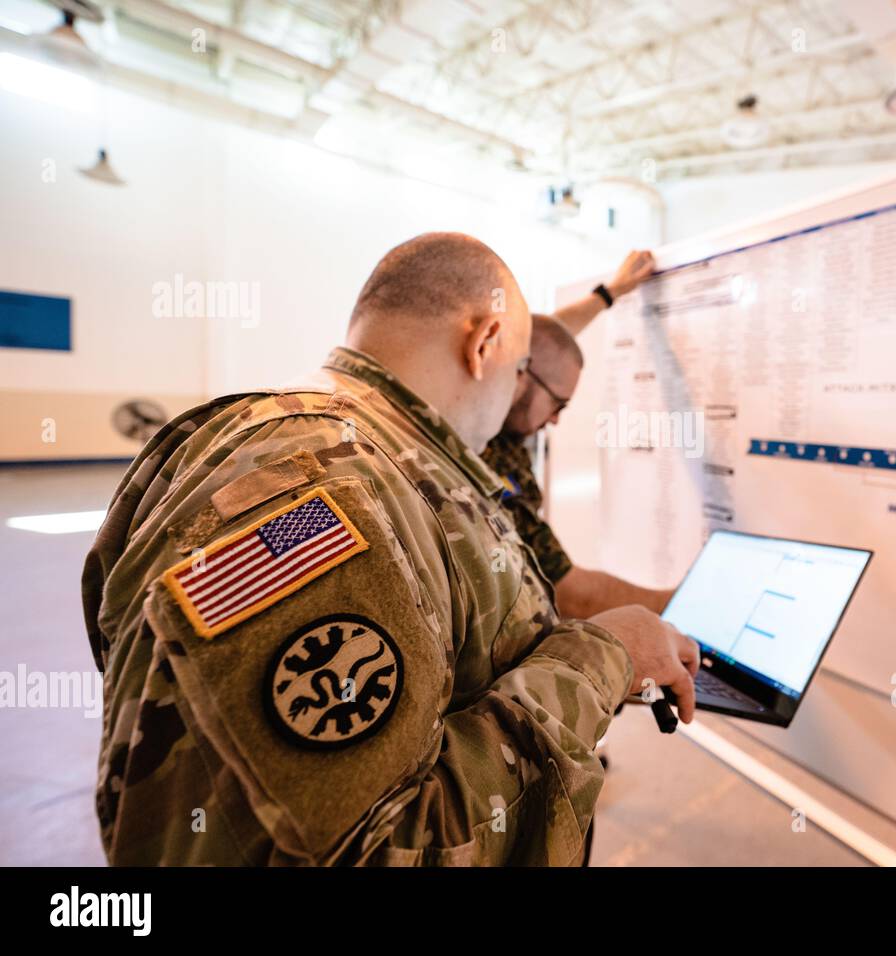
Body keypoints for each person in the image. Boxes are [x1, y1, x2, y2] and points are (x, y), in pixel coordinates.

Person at [82, 232, 699, 866]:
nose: (521, 396)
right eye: (521, 371)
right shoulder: (321, 494)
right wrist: (602, 659)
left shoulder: (336, 445)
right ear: (484, 343)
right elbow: (368, 851)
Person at [482, 251, 675, 620]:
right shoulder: (487, 461)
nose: (555, 420)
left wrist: (609, 294)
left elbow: (546, 339)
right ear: (520, 371)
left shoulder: (504, 408)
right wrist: (685, 602)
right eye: (558, 404)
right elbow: (570, 595)